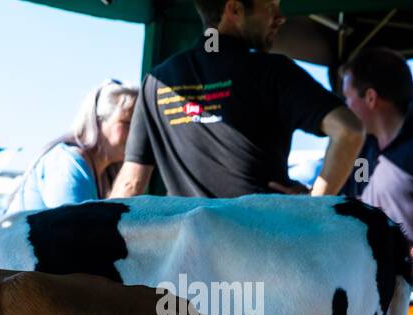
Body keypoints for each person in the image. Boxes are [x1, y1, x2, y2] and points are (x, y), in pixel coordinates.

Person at [112, 0, 363, 199]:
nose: (280, 17)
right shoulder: (273, 72)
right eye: (270, 6)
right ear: (234, 9)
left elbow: (130, 183)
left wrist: (100, 247)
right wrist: (314, 208)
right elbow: (350, 130)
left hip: (188, 255)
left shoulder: (156, 81)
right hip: (260, 251)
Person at [7, 80, 138, 213]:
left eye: (138, 126)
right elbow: (73, 229)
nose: (136, 133)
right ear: (98, 121)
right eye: (127, 123)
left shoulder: (102, 173)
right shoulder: (68, 163)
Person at [341, 47, 413, 250]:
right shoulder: (365, 150)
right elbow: (360, 192)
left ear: (371, 98)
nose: (345, 106)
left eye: (348, 97)